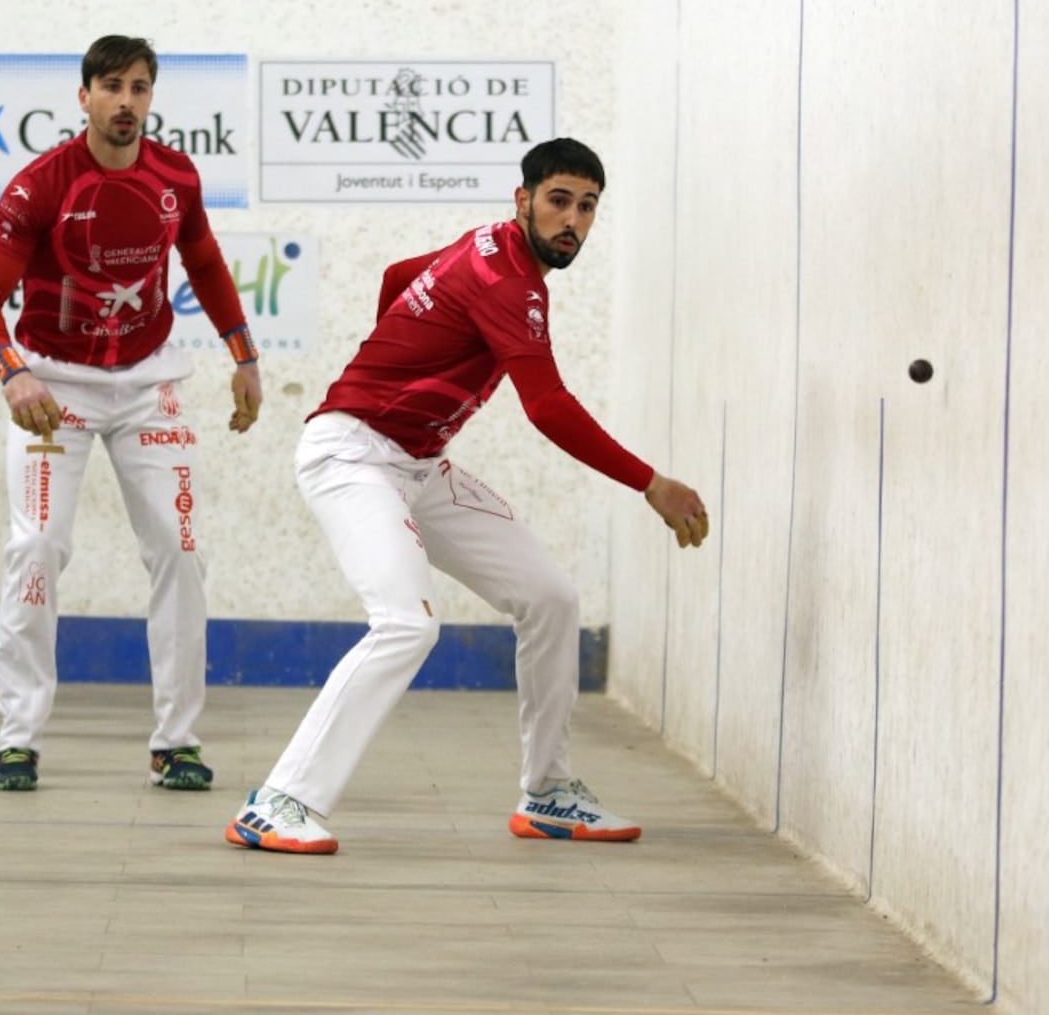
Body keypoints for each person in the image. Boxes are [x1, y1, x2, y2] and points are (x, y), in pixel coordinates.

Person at [224, 137, 710, 855]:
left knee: (551, 598)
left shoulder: (484, 245)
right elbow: (546, 406)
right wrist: (651, 482)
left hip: (420, 464)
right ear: (523, 201)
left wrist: (403, 349)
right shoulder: (511, 282)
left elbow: (399, 276)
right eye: (558, 201)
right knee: (406, 624)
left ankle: (548, 793)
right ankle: (279, 801)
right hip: (351, 454)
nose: (572, 220)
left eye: (587, 206)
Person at [0, 35, 264, 794]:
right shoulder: (39, 186)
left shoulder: (176, 175)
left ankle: (177, 741)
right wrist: (14, 373)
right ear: (84, 96)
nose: (127, 102)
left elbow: (204, 261)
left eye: (140, 87)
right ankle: (19, 739)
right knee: (36, 549)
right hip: (52, 392)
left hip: (148, 385)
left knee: (181, 550)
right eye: (113, 87)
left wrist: (244, 353)